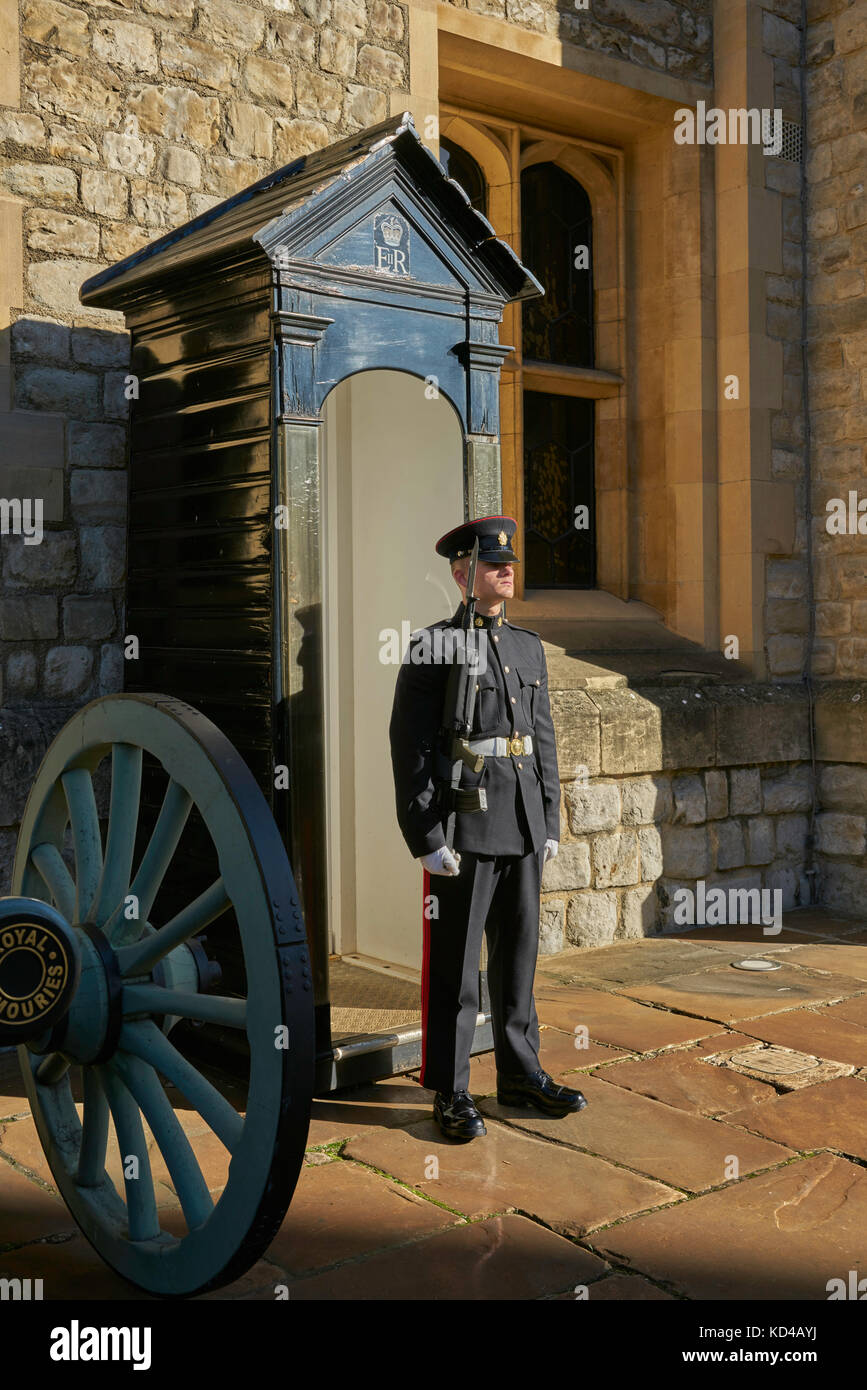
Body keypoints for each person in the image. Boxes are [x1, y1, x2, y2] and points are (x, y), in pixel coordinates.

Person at [388, 515, 588, 1140]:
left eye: (510, 561)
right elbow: (412, 747)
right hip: (466, 822)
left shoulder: (527, 645)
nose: (508, 568)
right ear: (462, 573)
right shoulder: (432, 646)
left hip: (522, 816)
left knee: (518, 958)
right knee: (457, 965)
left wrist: (550, 816)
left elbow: (543, 737)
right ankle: (450, 1089)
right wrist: (426, 835)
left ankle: (520, 1074)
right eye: (493, 562)